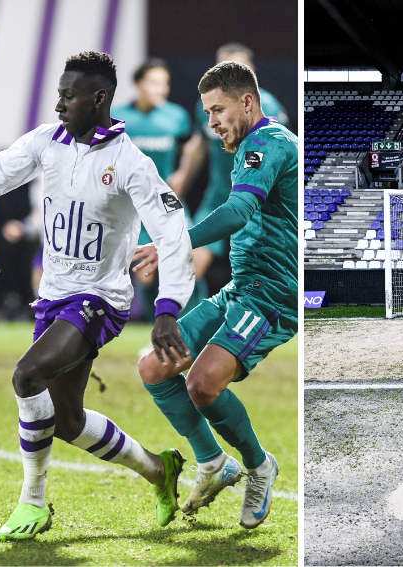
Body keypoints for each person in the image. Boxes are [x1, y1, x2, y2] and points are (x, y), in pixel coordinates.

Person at [0, 51, 195, 541]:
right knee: (66, 419)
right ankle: (156, 470)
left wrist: (167, 310)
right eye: (59, 93)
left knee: (27, 374)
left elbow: (172, 233)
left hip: (99, 298)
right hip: (54, 296)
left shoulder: (131, 162)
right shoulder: (46, 142)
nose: (59, 103)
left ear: (99, 98)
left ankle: (32, 501)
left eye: (68, 95)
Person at [134, 60, 297, 530]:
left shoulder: (271, 143)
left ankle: (259, 465)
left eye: (218, 109)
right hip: (240, 289)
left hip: (272, 297)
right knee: (154, 366)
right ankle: (212, 461)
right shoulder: (247, 145)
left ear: (247, 101)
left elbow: (240, 210)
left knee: (202, 384)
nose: (211, 123)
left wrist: (175, 244)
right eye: (207, 113)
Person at [167, 43, 289, 295]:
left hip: (255, 200)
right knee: (187, 265)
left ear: (250, 71)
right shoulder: (209, 106)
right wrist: (181, 178)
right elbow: (198, 146)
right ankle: (184, 330)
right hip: (217, 196)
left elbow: (276, 150)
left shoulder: (267, 105)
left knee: (256, 276)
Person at [112, 59, 205, 320]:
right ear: (138, 84)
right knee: (143, 271)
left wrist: (182, 174)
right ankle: (139, 319)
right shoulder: (117, 118)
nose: (161, 89)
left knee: (189, 255)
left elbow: (192, 147)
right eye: (154, 82)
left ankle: (197, 315)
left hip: (165, 202)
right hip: (129, 205)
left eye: (165, 83)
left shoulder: (176, 117)